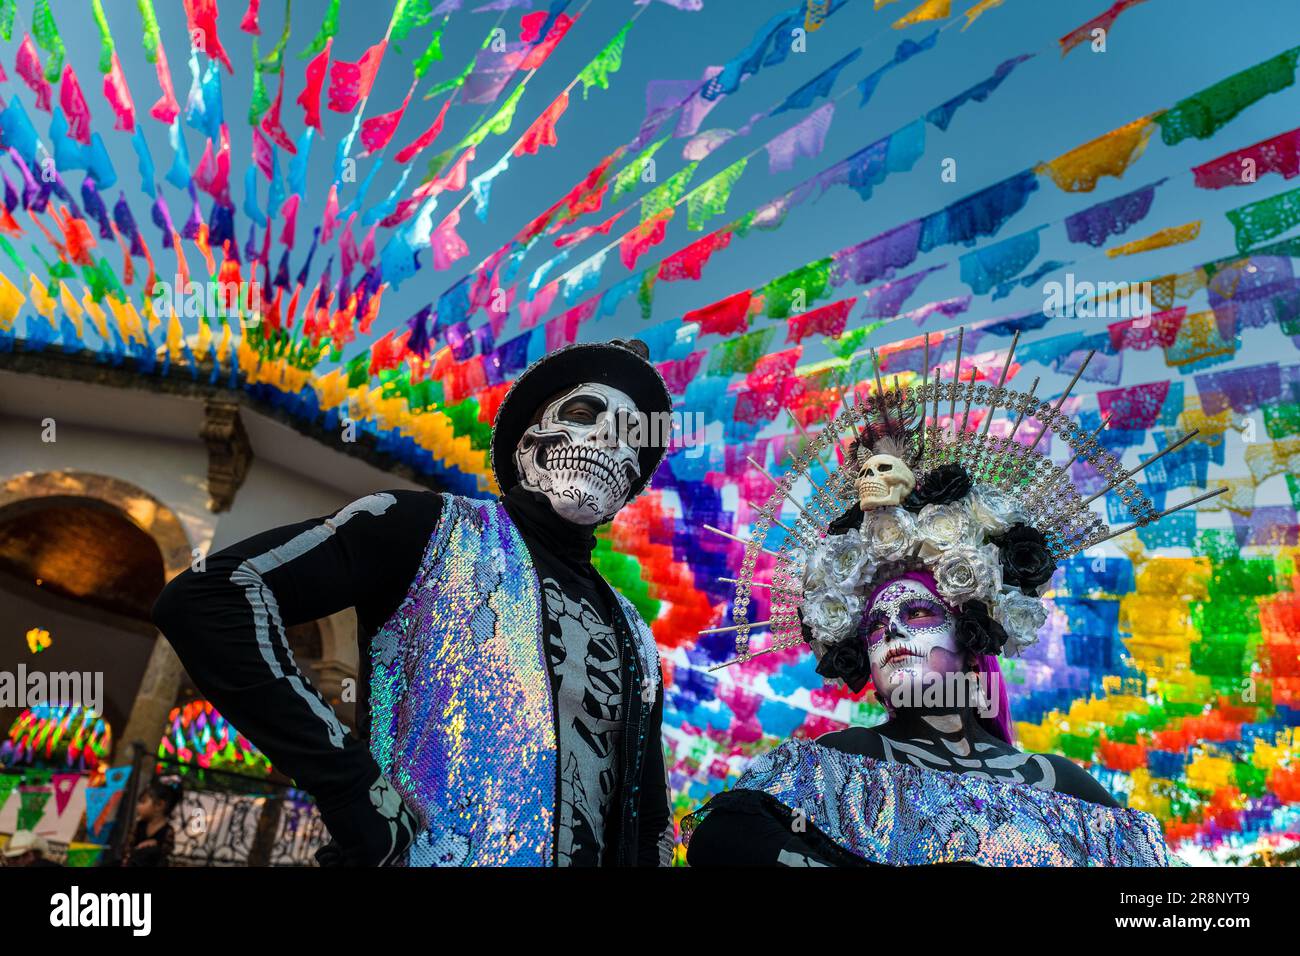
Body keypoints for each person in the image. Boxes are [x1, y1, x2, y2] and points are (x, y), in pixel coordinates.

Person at [153, 339, 674, 867]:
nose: (609, 440)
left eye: (633, 436)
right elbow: (214, 596)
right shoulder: (428, 529)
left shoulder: (637, 640)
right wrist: (354, 789)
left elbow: (650, 819)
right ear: (530, 442)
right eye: (585, 414)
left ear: (632, 484)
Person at [686, 346, 1184, 867]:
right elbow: (722, 840)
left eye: (919, 615)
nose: (894, 634)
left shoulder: (1060, 783)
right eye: (875, 627)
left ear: (970, 634)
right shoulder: (835, 763)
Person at [122, 779, 179, 867]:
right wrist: (136, 849)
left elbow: (166, 852)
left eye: (143, 802)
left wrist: (155, 845)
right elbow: (127, 847)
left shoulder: (167, 831)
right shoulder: (139, 825)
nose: (138, 806)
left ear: (159, 805)